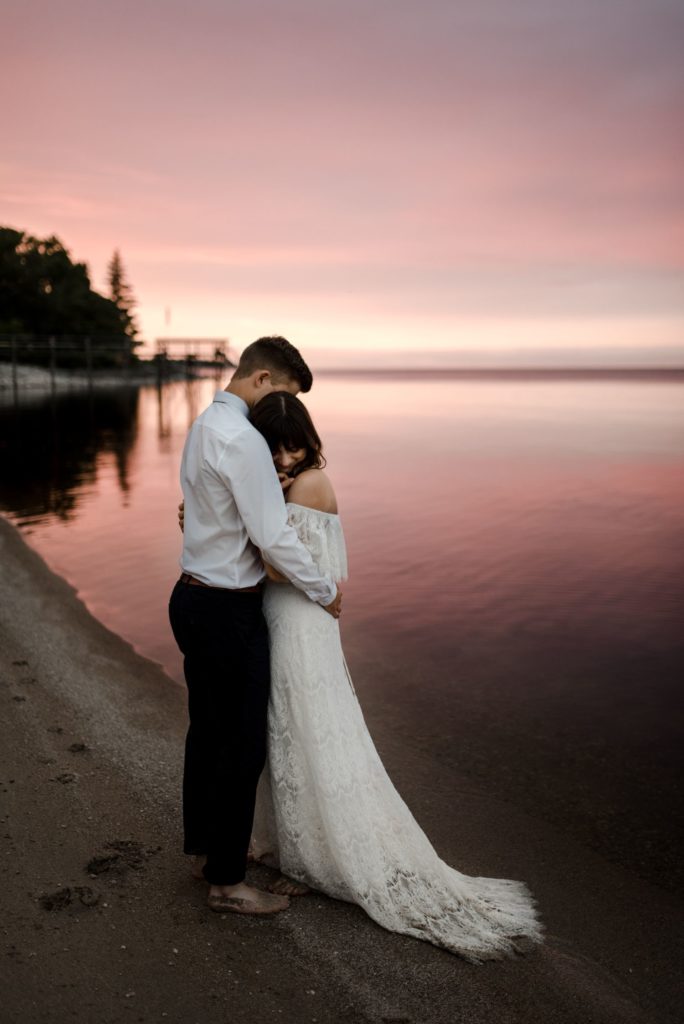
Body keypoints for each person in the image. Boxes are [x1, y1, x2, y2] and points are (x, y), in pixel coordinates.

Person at [245, 391, 544, 962]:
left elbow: (292, 568)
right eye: (274, 448)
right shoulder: (290, 485)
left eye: (293, 446)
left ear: (309, 441)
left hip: (298, 623)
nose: (285, 458)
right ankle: (300, 847)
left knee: (306, 733)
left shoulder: (308, 485)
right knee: (295, 732)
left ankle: (316, 862)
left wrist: (229, 531)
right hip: (293, 619)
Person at [168, 336, 342, 918]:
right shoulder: (242, 440)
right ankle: (228, 883)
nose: (279, 412)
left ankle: (206, 852)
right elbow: (272, 537)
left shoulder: (201, 426)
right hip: (226, 611)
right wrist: (325, 591)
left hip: (189, 598)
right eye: (285, 394)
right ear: (264, 378)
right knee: (242, 746)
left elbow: (204, 510)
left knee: (206, 733)